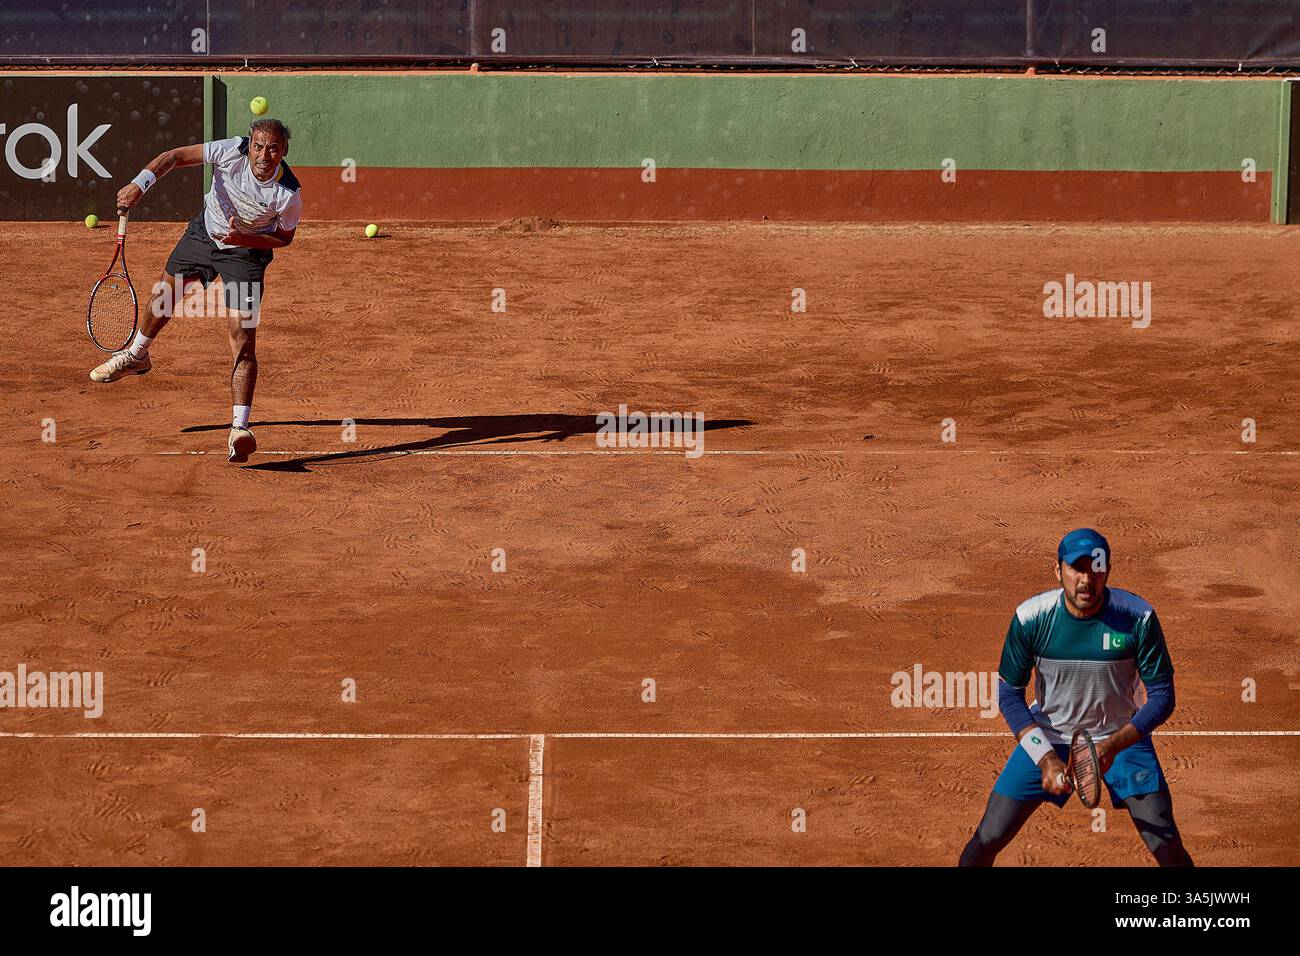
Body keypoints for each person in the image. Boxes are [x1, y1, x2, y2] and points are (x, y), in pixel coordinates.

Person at [958, 528, 1193, 866]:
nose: (1087, 579)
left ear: (1107, 571)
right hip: (1051, 736)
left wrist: (1110, 747)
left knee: (1168, 848)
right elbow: (1010, 696)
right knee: (989, 836)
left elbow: (1162, 696)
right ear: (1058, 571)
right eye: (1077, 569)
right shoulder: (1031, 619)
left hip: (1120, 740)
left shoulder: (1138, 618)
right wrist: (1045, 758)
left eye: (1096, 569)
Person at [90, 118, 302, 463]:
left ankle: (239, 428)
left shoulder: (289, 193)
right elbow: (173, 156)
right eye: (259, 146)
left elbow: (284, 238)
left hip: (246, 257)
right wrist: (138, 185)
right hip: (203, 236)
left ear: (284, 151)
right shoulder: (229, 150)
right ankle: (137, 355)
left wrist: (244, 238)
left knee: (242, 335)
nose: (264, 155)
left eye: (274, 148)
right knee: (164, 298)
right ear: (250, 144)